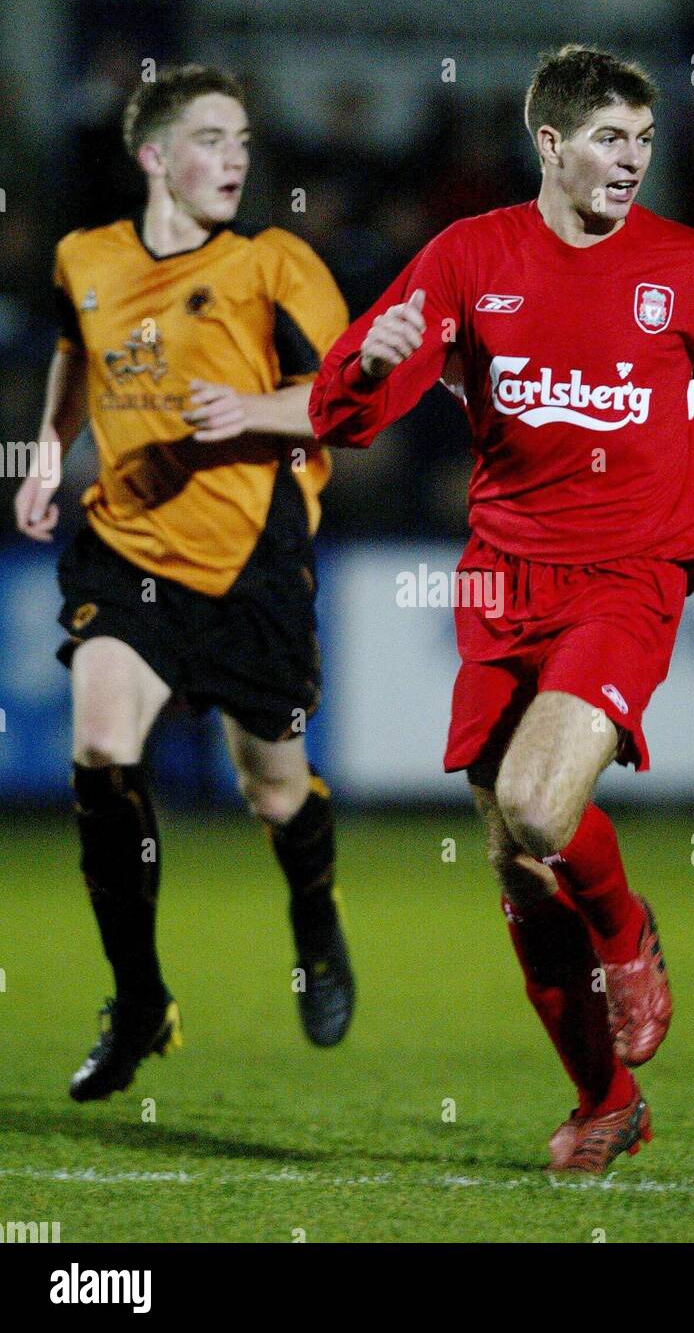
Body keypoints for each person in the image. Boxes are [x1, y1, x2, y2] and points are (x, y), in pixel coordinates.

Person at [309, 45, 694, 1173]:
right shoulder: (468, 256)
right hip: (503, 577)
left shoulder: (692, 268)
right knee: (510, 854)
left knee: (540, 806)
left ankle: (627, 929)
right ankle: (606, 1098)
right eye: (608, 138)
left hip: (631, 571)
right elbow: (351, 411)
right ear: (549, 143)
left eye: (643, 140)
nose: (631, 159)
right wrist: (367, 362)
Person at [14, 64, 355, 1102]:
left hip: (254, 564)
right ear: (156, 156)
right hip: (125, 551)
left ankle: (313, 912)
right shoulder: (86, 257)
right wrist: (45, 447)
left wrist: (251, 413)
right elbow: (79, 351)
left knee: (274, 789)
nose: (238, 158)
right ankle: (142, 1000)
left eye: (245, 139)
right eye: (214, 138)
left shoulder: (275, 264)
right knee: (102, 749)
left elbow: (351, 404)